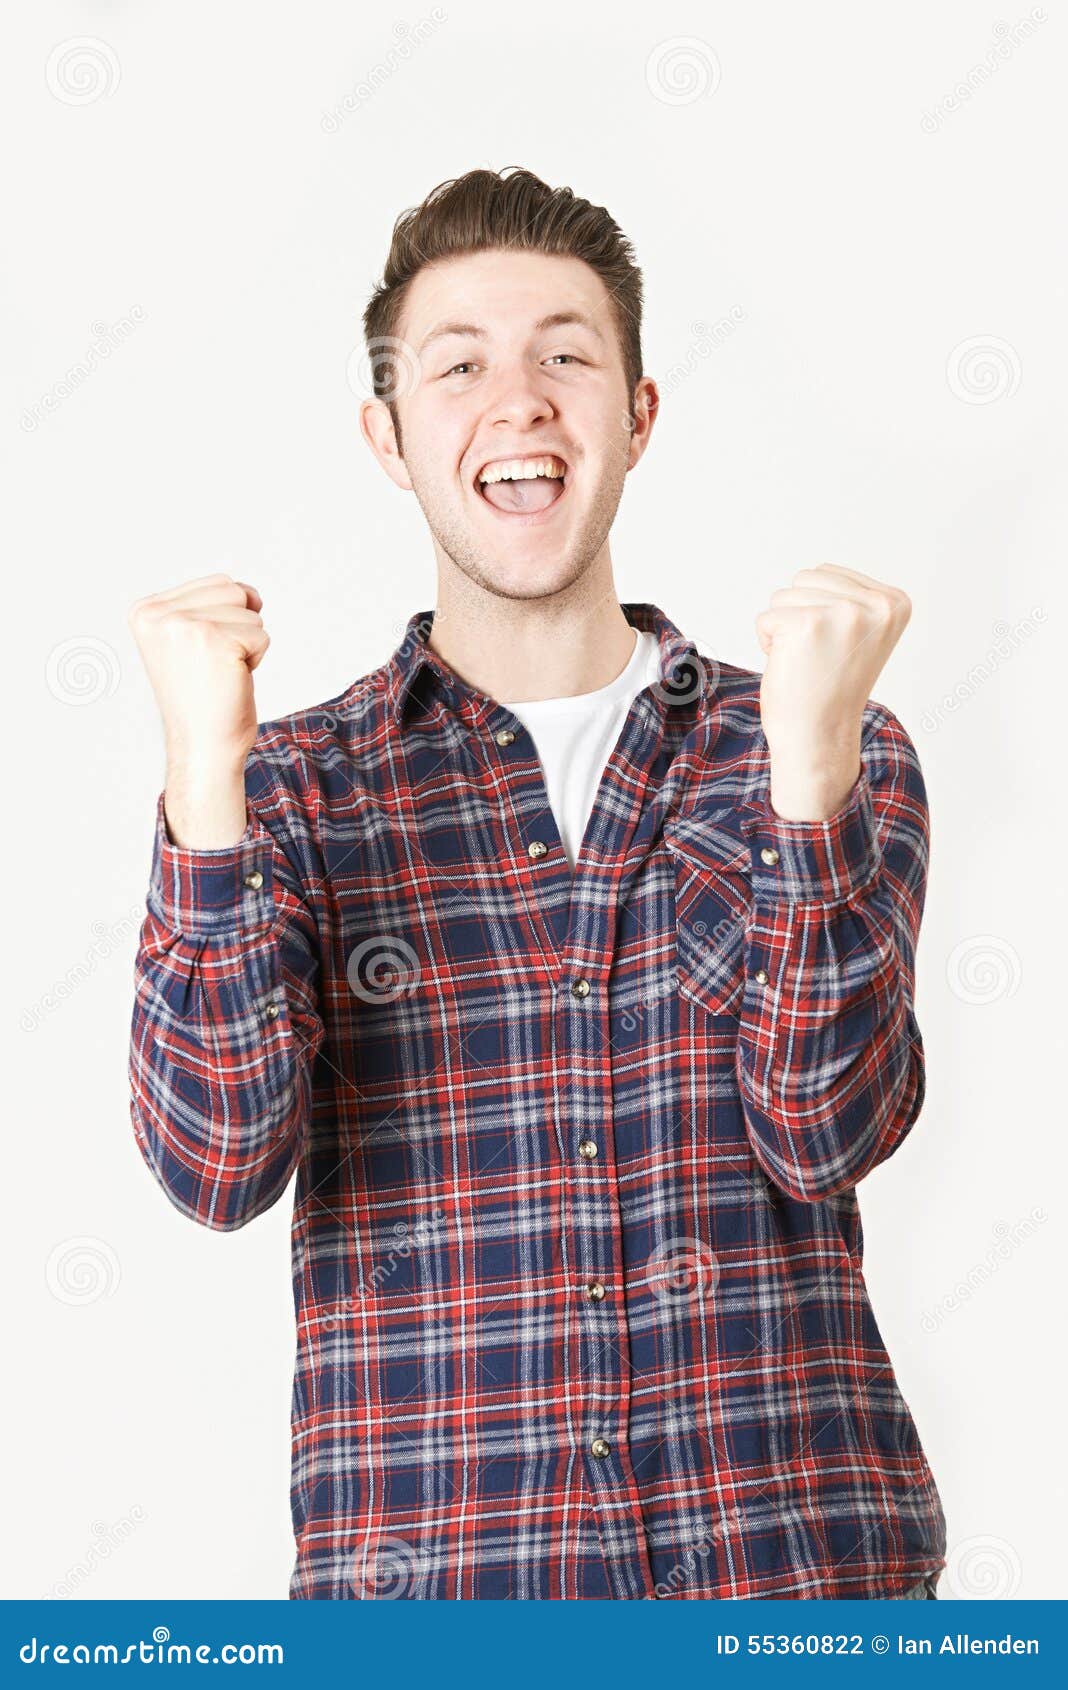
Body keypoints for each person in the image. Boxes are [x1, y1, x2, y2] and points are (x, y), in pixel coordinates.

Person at [127, 166, 945, 1601]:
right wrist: (203, 776)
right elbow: (215, 1166)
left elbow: (829, 1128)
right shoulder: (283, 789)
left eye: (566, 356)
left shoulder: (827, 740)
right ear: (389, 436)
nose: (519, 403)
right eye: (460, 368)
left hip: (794, 1595)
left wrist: (810, 778)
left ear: (637, 415)